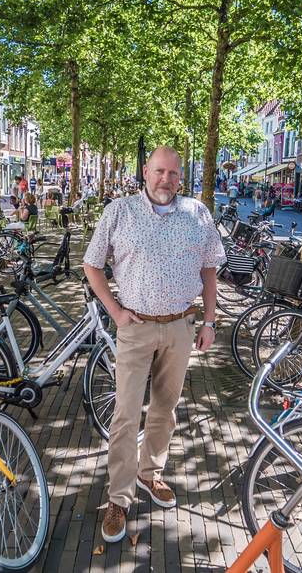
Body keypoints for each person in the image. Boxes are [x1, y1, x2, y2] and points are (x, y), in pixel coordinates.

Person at [83, 145, 225, 544]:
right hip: (136, 326)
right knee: (126, 414)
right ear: (145, 171)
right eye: (159, 171)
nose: (166, 180)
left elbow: (209, 269)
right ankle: (119, 497)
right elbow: (92, 264)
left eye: (173, 174)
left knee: (166, 407)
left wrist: (210, 322)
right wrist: (114, 311)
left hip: (181, 326)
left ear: (182, 177)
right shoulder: (120, 211)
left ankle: (150, 474)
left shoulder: (198, 214)